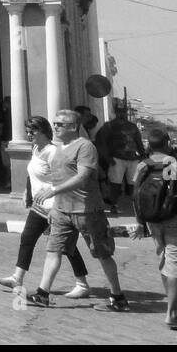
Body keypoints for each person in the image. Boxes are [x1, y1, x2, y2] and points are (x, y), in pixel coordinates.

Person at [27, 109, 129, 311]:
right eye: (55, 123)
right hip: (61, 210)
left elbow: (83, 177)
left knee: (102, 254)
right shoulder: (57, 148)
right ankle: (42, 293)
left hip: (87, 211)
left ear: (74, 127)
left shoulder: (85, 147)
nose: (55, 127)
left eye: (60, 124)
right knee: (53, 250)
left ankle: (117, 296)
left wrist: (53, 191)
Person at [0, 116, 91, 297]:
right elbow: (32, 174)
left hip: (56, 206)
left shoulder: (53, 152)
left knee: (65, 246)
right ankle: (17, 277)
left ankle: (82, 283)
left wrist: (52, 193)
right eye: (27, 131)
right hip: (39, 206)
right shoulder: (36, 148)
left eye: (33, 131)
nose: (29, 134)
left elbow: (66, 178)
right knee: (27, 238)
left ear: (44, 131)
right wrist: (26, 192)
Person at [130, 129, 177, 330]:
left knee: (164, 259)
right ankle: (171, 313)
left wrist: (140, 222)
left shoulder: (142, 166)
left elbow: (136, 196)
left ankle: (174, 306)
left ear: (149, 146)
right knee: (174, 263)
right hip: (173, 219)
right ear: (168, 143)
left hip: (152, 221)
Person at [95, 106, 146, 213]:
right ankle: (114, 205)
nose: (122, 114)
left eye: (124, 112)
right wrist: (107, 157)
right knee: (115, 184)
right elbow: (101, 142)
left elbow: (138, 142)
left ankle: (135, 205)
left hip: (133, 158)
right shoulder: (109, 126)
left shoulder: (132, 127)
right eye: (120, 112)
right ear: (115, 113)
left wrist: (143, 155)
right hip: (116, 158)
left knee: (134, 183)